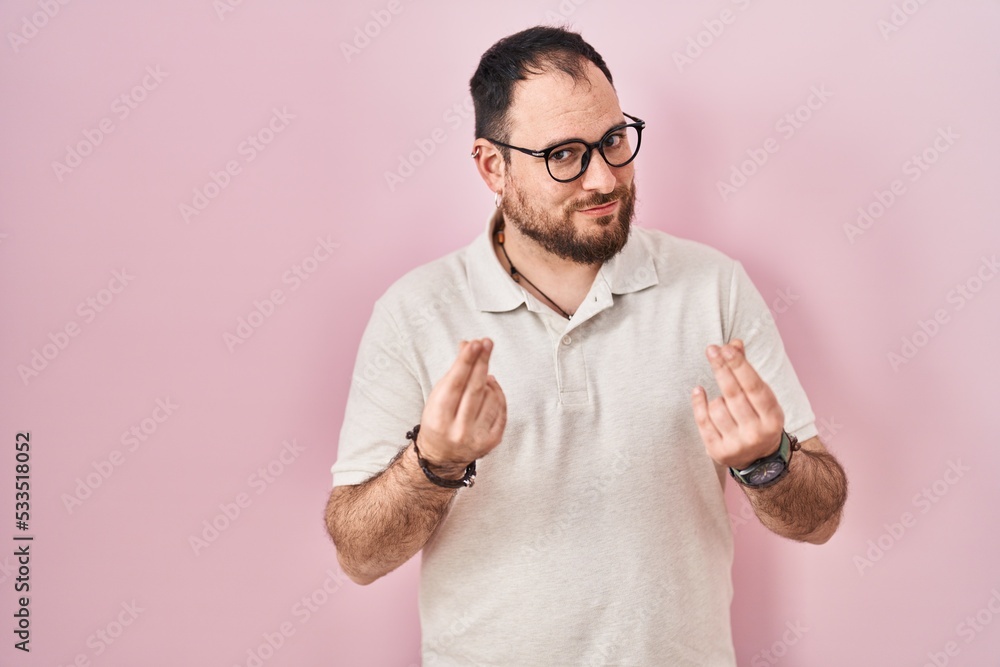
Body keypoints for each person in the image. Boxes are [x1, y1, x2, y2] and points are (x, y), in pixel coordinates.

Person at [325, 25, 847, 666]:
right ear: (494, 165)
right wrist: (433, 462)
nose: (603, 177)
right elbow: (359, 556)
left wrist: (769, 460)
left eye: (613, 140)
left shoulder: (712, 288)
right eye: (564, 155)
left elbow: (818, 521)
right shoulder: (416, 311)